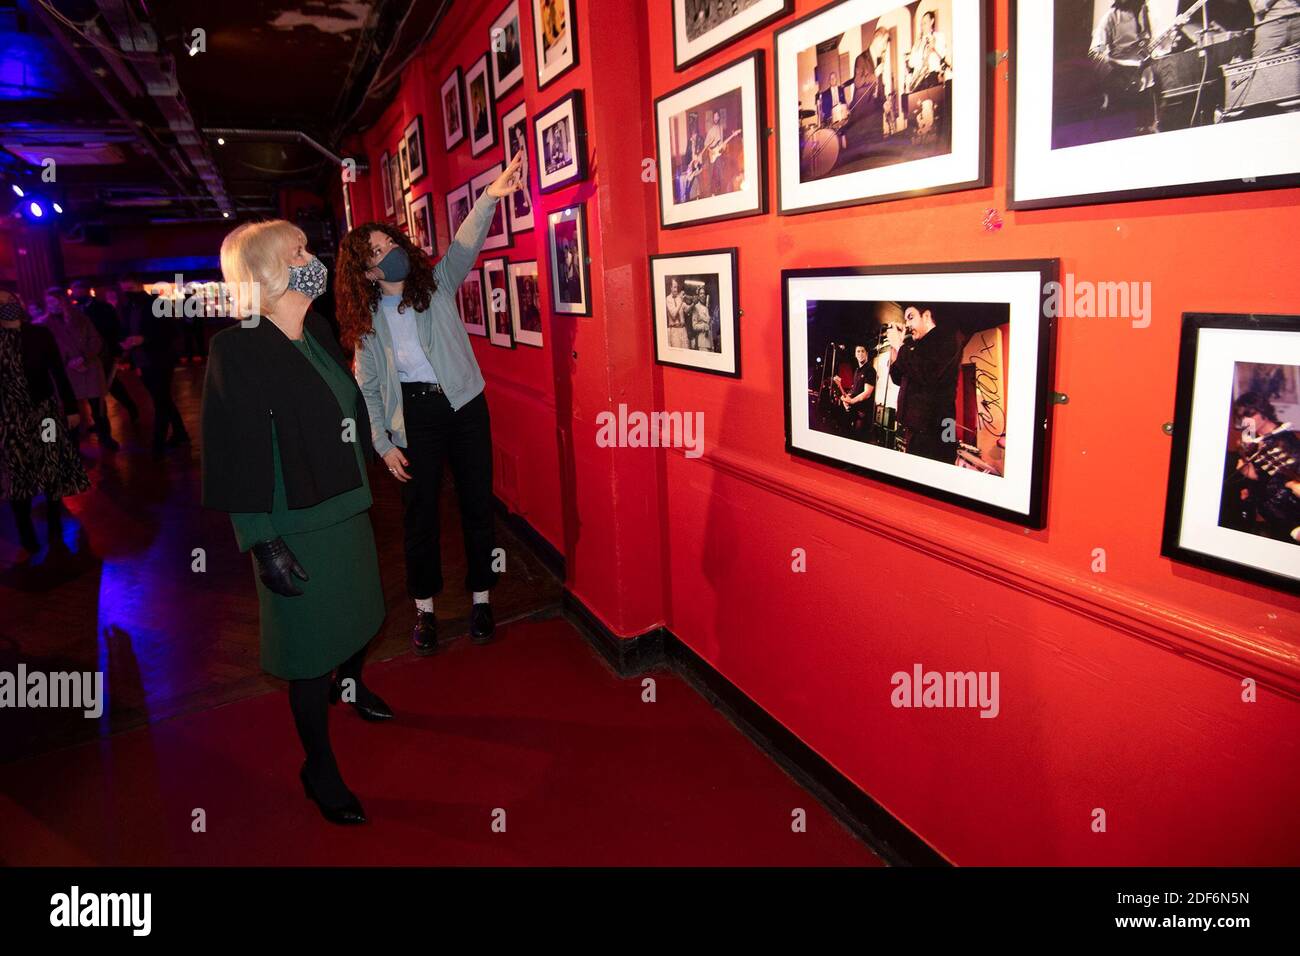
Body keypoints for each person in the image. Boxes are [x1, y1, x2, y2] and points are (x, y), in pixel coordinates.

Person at [202, 219, 391, 826]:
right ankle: (319, 766)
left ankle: (354, 687)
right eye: (301, 252)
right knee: (311, 656)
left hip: (345, 507)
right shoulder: (238, 347)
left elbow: (348, 407)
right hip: (293, 524)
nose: (315, 258)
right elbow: (232, 452)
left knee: (361, 620)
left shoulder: (316, 330)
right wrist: (262, 543)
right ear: (266, 274)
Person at [337, 153, 525, 655]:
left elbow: (465, 243)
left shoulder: (435, 287)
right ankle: (425, 611)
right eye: (378, 251)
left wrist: (490, 196)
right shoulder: (367, 324)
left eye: (390, 241)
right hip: (413, 419)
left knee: (476, 504)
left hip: (465, 407)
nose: (391, 249)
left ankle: (482, 597)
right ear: (368, 272)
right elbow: (369, 388)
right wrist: (381, 443)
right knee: (419, 516)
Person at [0, 291, 89, 555]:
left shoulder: (39, 334)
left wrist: (71, 408)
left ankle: (54, 525)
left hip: (44, 412)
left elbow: (57, 372)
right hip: (9, 417)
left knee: (51, 466)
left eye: (8, 302)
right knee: (18, 475)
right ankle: (26, 533)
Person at [38, 287, 117, 451]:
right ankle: (72, 444)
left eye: (54, 301)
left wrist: (84, 358)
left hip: (90, 368)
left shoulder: (81, 318)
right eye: (48, 302)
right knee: (70, 409)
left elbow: (96, 340)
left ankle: (106, 437)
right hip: (67, 372)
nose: (51, 305)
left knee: (98, 407)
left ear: (62, 301)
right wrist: (68, 362)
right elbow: (47, 349)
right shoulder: (45, 324)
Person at [118, 278, 190, 457]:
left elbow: (171, 331)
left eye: (130, 287)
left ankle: (158, 445)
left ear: (140, 286)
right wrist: (128, 344)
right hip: (142, 360)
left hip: (160, 358)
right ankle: (180, 433)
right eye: (124, 289)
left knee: (160, 400)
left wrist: (145, 339)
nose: (127, 291)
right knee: (162, 398)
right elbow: (127, 330)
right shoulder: (127, 308)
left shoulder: (157, 304)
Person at [887, 305, 965, 463]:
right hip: (917, 432)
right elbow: (897, 378)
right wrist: (896, 349)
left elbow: (927, 373)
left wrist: (900, 347)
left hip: (936, 432)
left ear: (927, 316)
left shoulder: (946, 339)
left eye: (910, 317)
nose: (907, 325)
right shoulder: (916, 347)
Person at [70, 280, 139, 423]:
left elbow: (113, 329)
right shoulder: (75, 310)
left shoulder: (102, 307)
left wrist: (115, 350)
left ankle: (130, 408)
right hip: (88, 353)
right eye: (74, 291)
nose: (75, 294)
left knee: (110, 383)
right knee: (94, 387)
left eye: (77, 291)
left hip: (104, 351)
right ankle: (100, 418)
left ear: (86, 291)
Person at [841, 344, 877, 437]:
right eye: (858, 351)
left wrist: (851, 401)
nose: (860, 353)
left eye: (862, 351)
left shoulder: (870, 370)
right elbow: (854, 390)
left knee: (859, 438)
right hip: (854, 412)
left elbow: (867, 393)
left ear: (866, 354)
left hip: (863, 414)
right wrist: (847, 399)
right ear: (855, 354)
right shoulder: (857, 370)